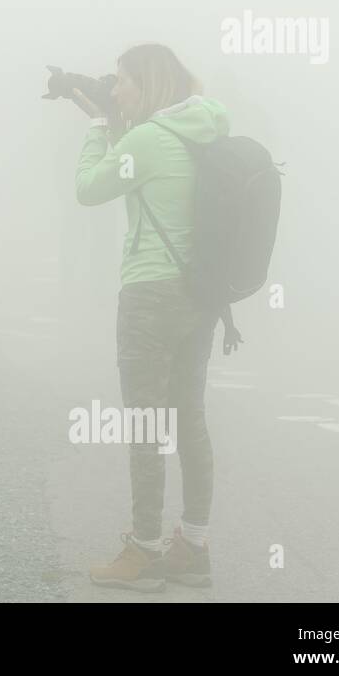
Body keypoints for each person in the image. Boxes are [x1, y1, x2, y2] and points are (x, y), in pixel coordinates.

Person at [70, 43, 227, 592]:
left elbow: (90, 188)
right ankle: (194, 547)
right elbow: (144, 167)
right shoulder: (199, 132)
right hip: (200, 298)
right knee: (189, 420)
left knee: (146, 423)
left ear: (148, 84)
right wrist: (113, 122)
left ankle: (143, 553)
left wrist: (95, 123)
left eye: (121, 82)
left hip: (150, 297)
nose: (115, 92)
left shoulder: (146, 139)